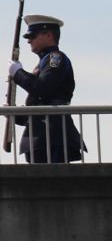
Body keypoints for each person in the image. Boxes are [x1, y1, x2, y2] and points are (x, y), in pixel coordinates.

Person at [8, 14, 86, 163]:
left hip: (54, 135)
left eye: (33, 35)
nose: (29, 40)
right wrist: (13, 113)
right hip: (38, 138)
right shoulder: (44, 62)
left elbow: (41, 88)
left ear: (48, 35)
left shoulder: (56, 58)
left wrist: (18, 74)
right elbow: (37, 105)